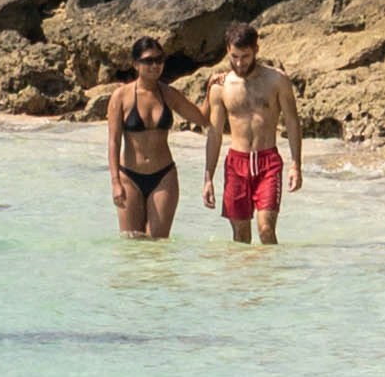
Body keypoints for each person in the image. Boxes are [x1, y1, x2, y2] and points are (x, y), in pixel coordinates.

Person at [195, 30, 304, 246]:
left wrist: (296, 165)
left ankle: (271, 278)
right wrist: (208, 178)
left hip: (268, 162)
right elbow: (215, 134)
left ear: (256, 50)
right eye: (234, 56)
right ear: (228, 51)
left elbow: (292, 122)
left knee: (266, 230)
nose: (239, 63)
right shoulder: (220, 86)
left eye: (245, 56)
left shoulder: (277, 80)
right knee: (241, 237)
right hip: (237, 164)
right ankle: (245, 280)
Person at [97, 37, 182, 240]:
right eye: (148, 60)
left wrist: (214, 88)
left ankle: (157, 275)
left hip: (164, 176)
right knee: (132, 244)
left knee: (158, 245)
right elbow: (114, 142)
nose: (155, 65)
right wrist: (115, 181)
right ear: (136, 64)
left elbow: (202, 118)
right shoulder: (121, 96)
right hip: (129, 177)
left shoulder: (169, 94)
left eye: (159, 60)